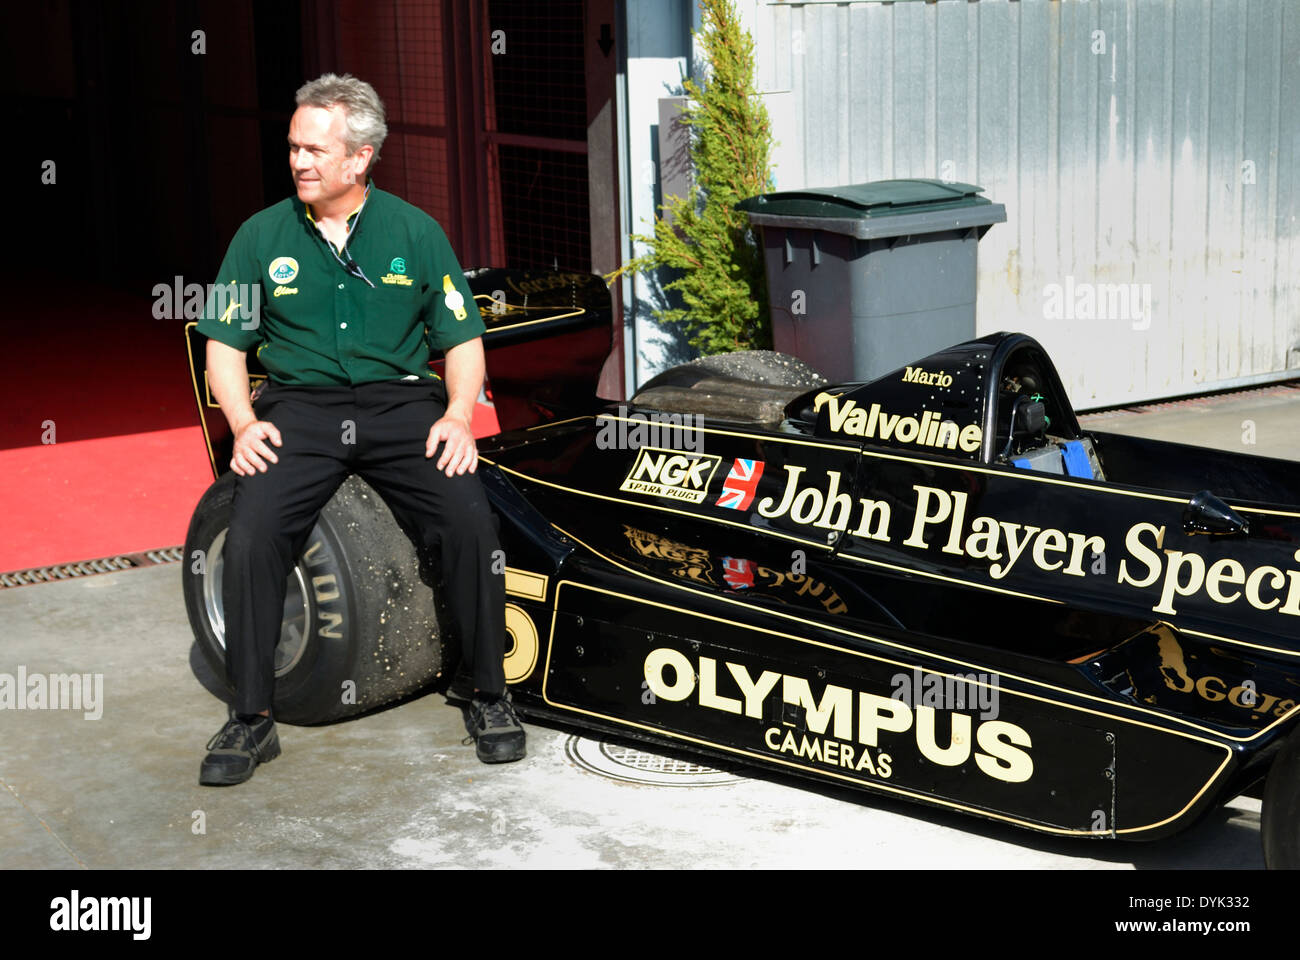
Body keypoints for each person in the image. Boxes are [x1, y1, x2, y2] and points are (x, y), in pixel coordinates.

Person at [195, 73, 524, 785]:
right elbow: (223, 346)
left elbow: (462, 339)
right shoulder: (261, 236)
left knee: (469, 522)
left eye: (315, 149)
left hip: (401, 405)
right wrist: (244, 424)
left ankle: (487, 693)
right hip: (299, 410)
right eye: (293, 148)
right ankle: (250, 719)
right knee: (251, 534)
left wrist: (459, 417)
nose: (299, 162)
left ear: (360, 158)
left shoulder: (415, 231)